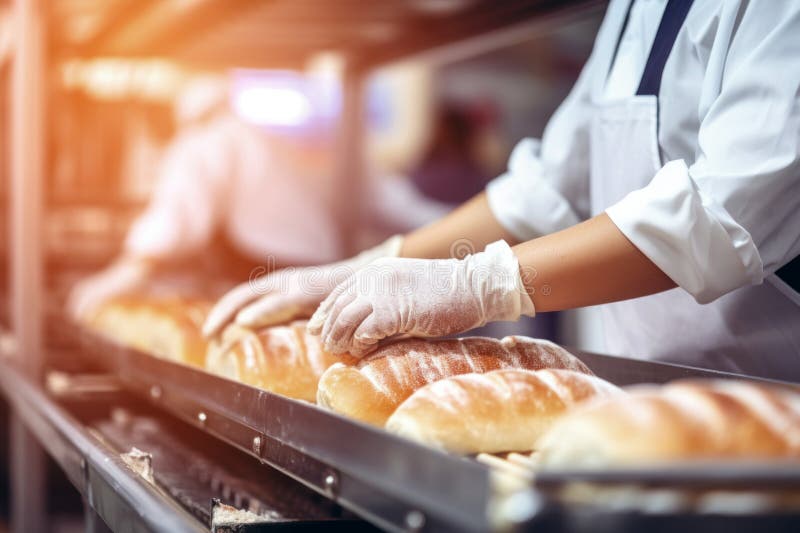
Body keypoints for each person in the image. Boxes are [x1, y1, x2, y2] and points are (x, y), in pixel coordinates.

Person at [204, 0, 800, 380]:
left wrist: (481, 286)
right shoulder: (634, 9)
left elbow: (719, 218)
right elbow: (543, 194)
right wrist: (365, 268)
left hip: (768, 416)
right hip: (637, 400)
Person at [68, 76, 341, 317]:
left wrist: (123, 273)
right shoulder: (258, 136)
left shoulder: (209, 139)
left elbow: (175, 219)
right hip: (317, 275)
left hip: (271, 272)